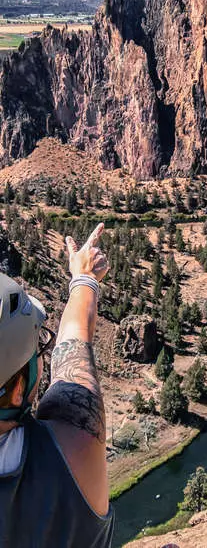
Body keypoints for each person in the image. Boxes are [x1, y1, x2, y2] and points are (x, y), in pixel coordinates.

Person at [0, 223, 114, 547]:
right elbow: (74, 338)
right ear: (18, 389)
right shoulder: (75, 446)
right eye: (38, 348)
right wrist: (84, 277)